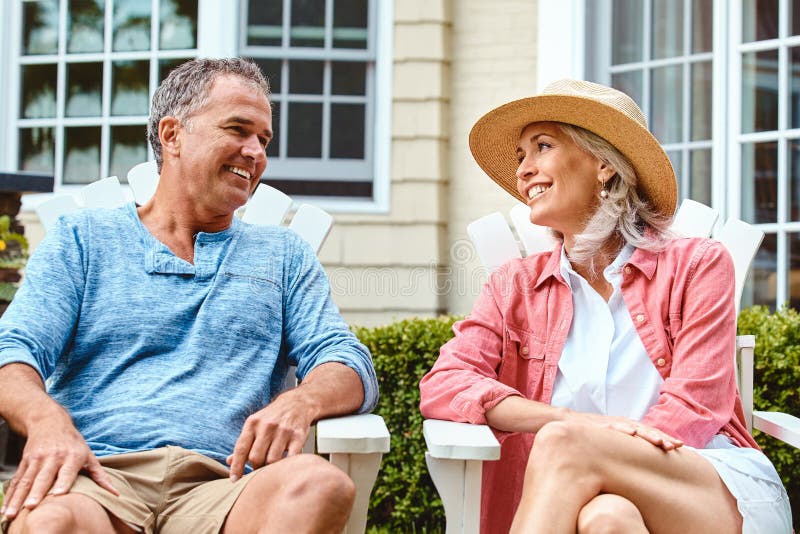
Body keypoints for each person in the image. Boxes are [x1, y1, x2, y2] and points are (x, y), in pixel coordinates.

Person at [0, 57, 378, 534]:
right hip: (98, 477)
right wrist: (44, 421)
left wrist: (301, 402)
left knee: (322, 485)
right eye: (238, 129)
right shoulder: (84, 239)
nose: (255, 152)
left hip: (224, 484)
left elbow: (346, 361)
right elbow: (13, 350)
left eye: (263, 140)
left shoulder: (282, 254)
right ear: (172, 135)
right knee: (52, 522)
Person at [419, 79, 792, 534]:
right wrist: (566, 420)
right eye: (520, 157)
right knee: (608, 519)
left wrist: (586, 442)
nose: (524, 170)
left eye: (542, 147)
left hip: (702, 481)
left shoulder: (697, 265)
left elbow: (696, 406)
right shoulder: (513, 286)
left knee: (565, 444)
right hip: (583, 494)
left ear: (604, 164)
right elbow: (445, 383)